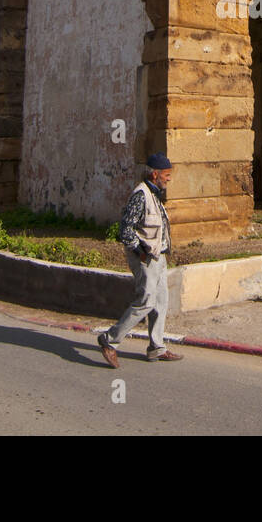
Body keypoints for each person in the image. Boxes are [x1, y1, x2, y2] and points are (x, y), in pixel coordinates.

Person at [99, 153, 182, 367]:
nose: (169, 178)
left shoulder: (155, 194)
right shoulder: (141, 195)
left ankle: (156, 347)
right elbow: (125, 230)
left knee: (161, 302)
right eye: (166, 174)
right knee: (146, 301)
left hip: (158, 256)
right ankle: (110, 340)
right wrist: (140, 252)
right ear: (155, 174)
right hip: (146, 258)